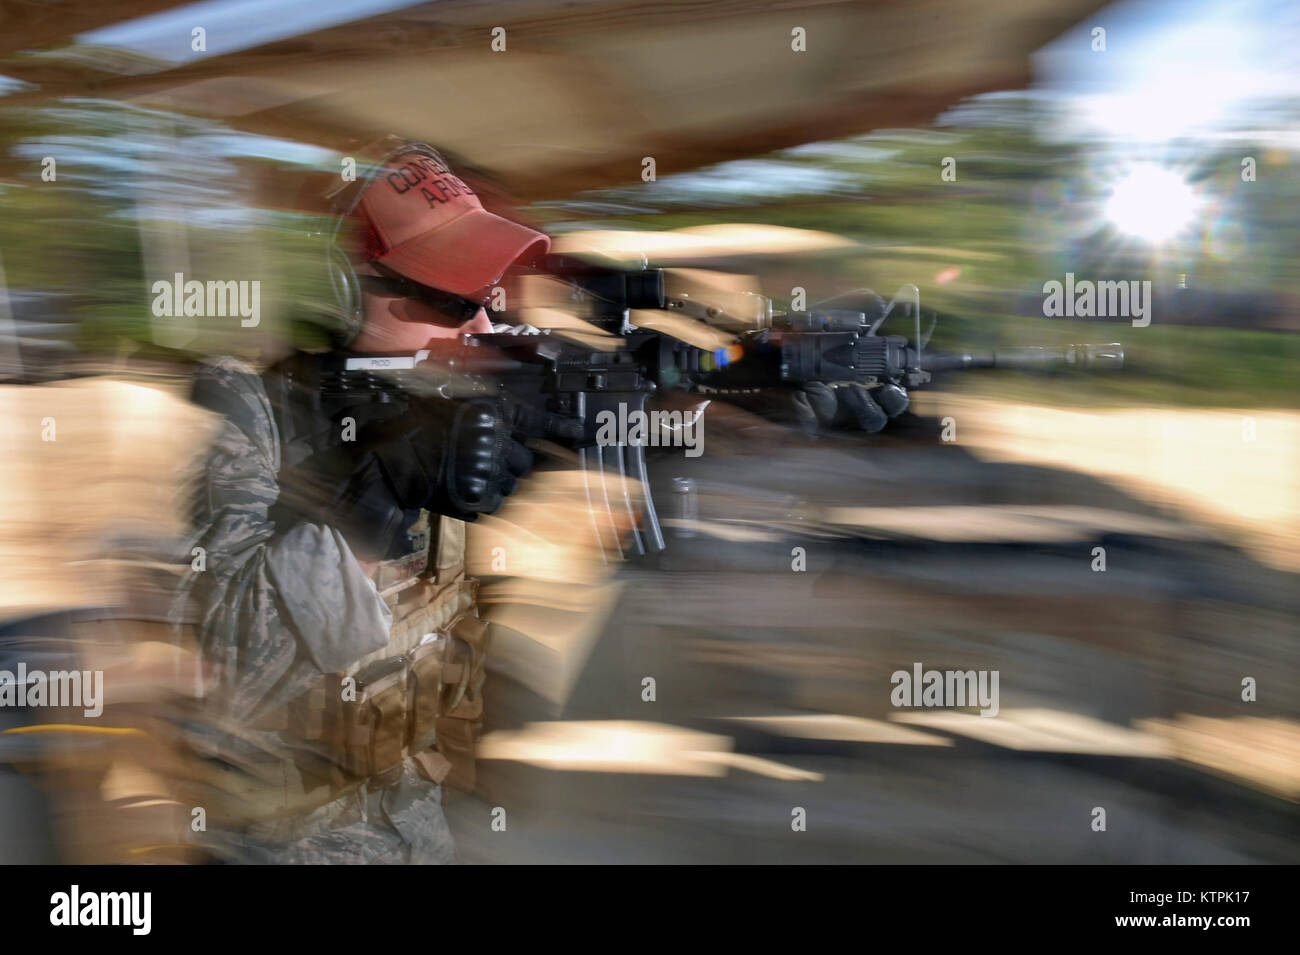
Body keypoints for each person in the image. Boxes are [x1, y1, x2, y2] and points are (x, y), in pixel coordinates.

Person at [176, 140, 548, 863]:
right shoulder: (259, 414)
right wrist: (367, 513)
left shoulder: (438, 407)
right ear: (345, 292)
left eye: (486, 300)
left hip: (415, 833)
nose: (479, 327)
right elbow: (227, 653)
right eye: (449, 297)